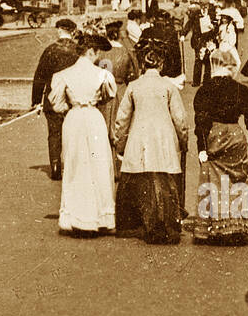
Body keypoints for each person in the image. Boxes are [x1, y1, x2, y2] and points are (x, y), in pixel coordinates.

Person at [113, 38, 190, 243]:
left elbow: (122, 120)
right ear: (161, 64)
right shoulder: (169, 87)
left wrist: (119, 144)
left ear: (144, 65)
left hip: (139, 139)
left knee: (139, 179)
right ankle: (165, 223)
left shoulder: (133, 86)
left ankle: (137, 223)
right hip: (164, 139)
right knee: (165, 182)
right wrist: (184, 141)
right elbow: (180, 119)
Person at [189, 49, 248, 245]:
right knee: (237, 180)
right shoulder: (241, 90)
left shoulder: (204, 90)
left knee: (214, 180)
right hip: (235, 136)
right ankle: (239, 224)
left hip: (215, 135)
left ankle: (213, 225)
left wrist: (202, 147)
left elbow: (201, 120)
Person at [49, 33, 118, 235]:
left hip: (74, 119)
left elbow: (58, 104)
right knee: (98, 164)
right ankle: (101, 217)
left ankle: (75, 217)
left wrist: (72, 105)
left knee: (75, 164)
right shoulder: (102, 75)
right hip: (94, 119)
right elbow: (108, 96)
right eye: (97, 53)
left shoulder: (64, 75)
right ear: (91, 51)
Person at [31, 19, 79, 180]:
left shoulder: (50, 50)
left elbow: (39, 77)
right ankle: (73, 168)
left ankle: (56, 167)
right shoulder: (78, 50)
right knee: (74, 133)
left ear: (59, 31)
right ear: (73, 31)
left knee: (54, 134)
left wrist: (36, 101)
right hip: (74, 98)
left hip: (53, 99)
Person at [100, 20, 138, 140]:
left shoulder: (101, 52)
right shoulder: (126, 52)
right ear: (118, 34)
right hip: (121, 90)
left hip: (105, 93)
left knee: (104, 125)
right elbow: (133, 75)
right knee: (122, 125)